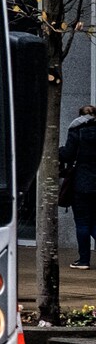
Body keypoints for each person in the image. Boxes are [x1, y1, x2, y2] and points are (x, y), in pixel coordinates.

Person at [63, 104, 96, 269]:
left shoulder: (76, 130)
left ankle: (83, 260)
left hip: (81, 184)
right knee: (94, 222)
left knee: (83, 223)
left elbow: (68, 153)